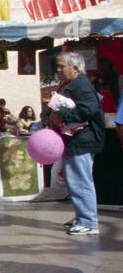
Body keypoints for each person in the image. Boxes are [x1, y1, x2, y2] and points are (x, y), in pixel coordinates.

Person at [50, 52, 105, 236]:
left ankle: (89, 222)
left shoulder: (81, 85)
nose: (58, 70)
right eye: (57, 66)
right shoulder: (70, 84)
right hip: (73, 139)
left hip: (83, 139)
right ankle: (82, 216)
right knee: (74, 181)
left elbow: (88, 109)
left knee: (81, 180)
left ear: (75, 68)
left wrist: (63, 115)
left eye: (61, 66)